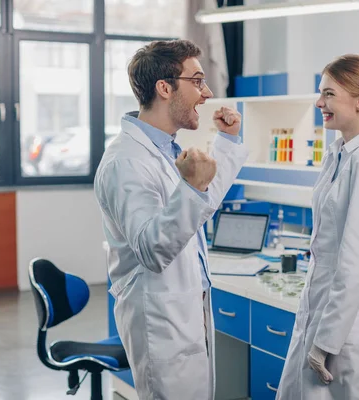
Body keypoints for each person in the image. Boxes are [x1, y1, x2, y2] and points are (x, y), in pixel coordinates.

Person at [93, 40, 248, 400]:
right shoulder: (125, 162)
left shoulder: (165, 149)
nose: (207, 93)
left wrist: (228, 142)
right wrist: (192, 187)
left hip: (182, 315)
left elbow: (200, 202)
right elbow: (152, 248)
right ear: (165, 88)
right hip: (160, 323)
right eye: (197, 81)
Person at [276, 54, 359, 400]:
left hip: (349, 324)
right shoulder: (340, 154)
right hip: (322, 307)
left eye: (329, 94)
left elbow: (356, 262)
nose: (319, 102)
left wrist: (327, 339)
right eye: (321, 93)